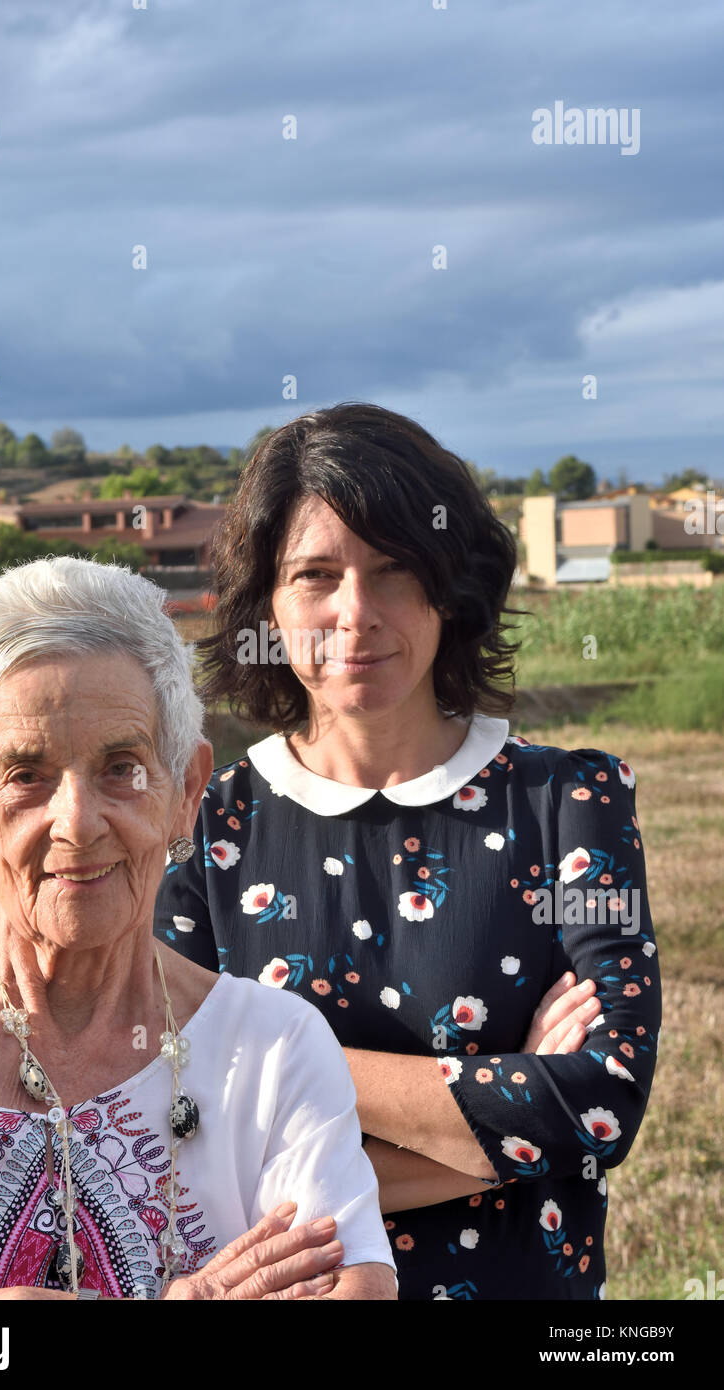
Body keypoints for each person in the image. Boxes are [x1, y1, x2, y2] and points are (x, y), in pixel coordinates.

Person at [155, 401, 662, 1301]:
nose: (357, 614)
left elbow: (603, 1099)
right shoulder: (199, 827)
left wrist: (272, 1061)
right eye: (315, 575)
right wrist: (504, 1120)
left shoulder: (574, 804)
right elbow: (181, 1141)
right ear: (266, 601)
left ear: (449, 586)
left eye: (393, 571)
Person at [0, 555, 396, 1300]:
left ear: (186, 794)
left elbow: (349, 1294)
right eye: (25, 775)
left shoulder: (273, 1050)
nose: (77, 822)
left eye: (122, 767)